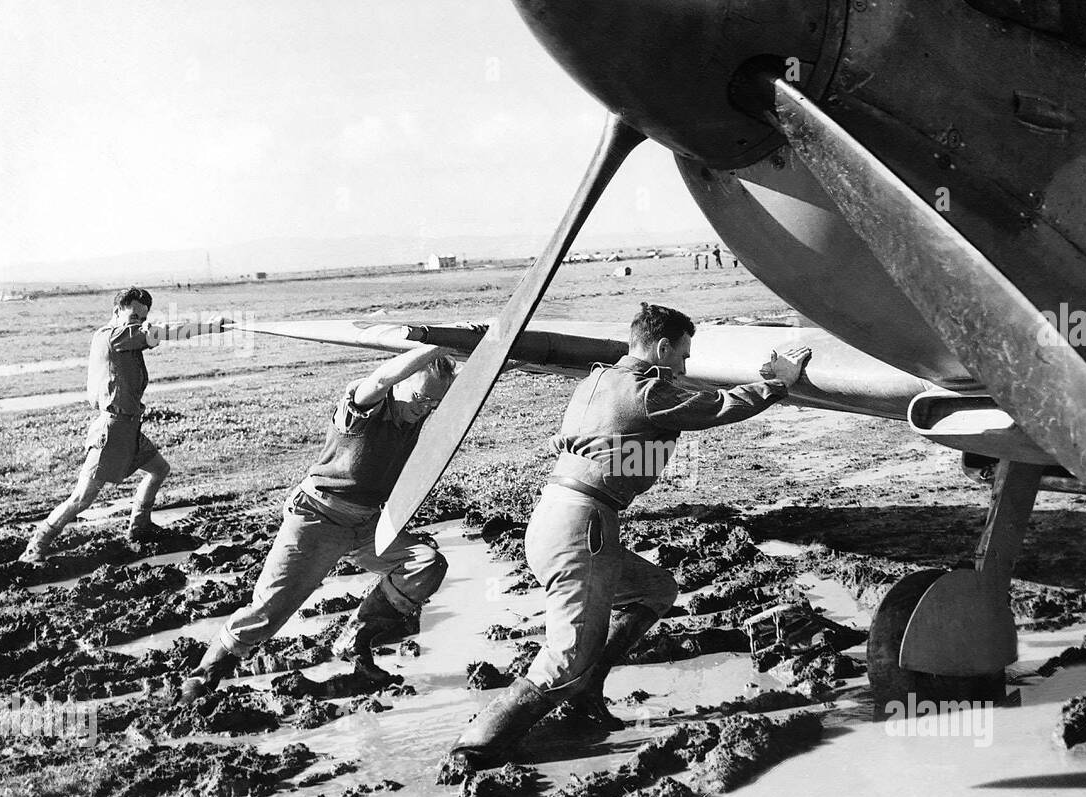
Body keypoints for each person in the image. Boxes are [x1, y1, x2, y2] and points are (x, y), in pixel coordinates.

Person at [448, 303, 811, 768]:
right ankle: (476, 748)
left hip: (556, 516)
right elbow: (719, 408)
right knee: (566, 658)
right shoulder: (647, 394)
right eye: (682, 355)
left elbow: (631, 430)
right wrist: (780, 382)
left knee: (656, 589)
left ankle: (587, 689)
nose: (684, 366)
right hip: (586, 525)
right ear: (661, 348)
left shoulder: (597, 381)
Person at [180, 345, 456, 701]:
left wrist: (502, 350)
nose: (424, 408)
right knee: (267, 612)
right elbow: (384, 375)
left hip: (367, 525)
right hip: (317, 518)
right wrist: (438, 345)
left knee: (426, 564)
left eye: (433, 404)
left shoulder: (414, 412)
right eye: (420, 397)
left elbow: (472, 378)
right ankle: (202, 680)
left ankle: (355, 638)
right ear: (401, 384)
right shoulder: (365, 406)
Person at [21, 287, 175, 563]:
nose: (138, 321)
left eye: (142, 317)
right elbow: (159, 334)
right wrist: (213, 326)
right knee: (82, 498)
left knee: (159, 470)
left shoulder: (123, 337)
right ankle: (36, 546)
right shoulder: (113, 335)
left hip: (129, 428)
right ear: (117, 311)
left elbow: (149, 336)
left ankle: (139, 527)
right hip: (113, 430)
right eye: (133, 315)